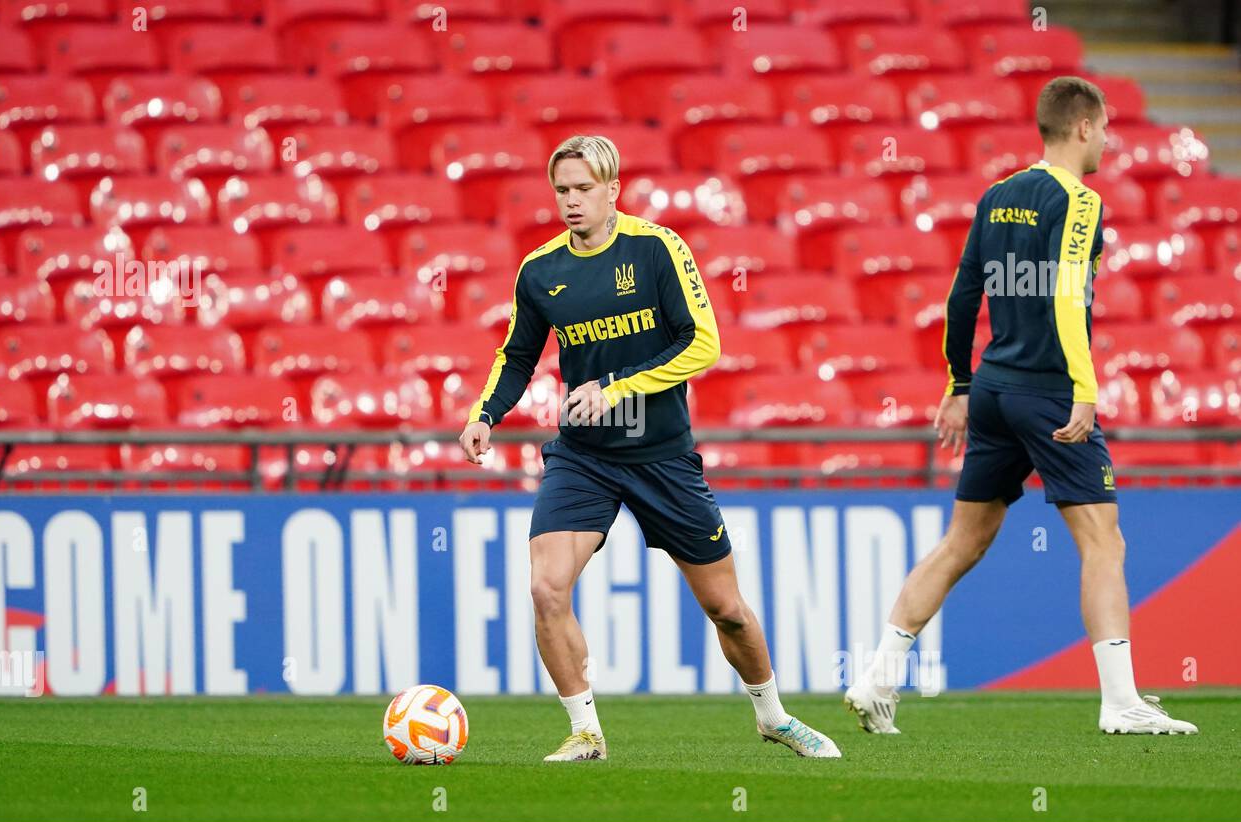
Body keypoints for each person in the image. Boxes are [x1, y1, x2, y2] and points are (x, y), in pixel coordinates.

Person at [459, 134, 841, 761]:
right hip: (582, 456)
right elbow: (518, 355)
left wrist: (616, 388)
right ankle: (586, 733)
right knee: (546, 588)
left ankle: (772, 716)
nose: (572, 201)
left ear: (613, 189)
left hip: (661, 454)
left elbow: (703, 344)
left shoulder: (658, 249)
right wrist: (485, 415)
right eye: (562, 190)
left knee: (728, 610)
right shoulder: (540, 271)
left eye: (585, 189)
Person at [843, 76, 1197, 737]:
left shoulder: (996, 195)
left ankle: (878, 677)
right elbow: (1069, 299)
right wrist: (1084, 391)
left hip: (995, 389)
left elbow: (959, 297)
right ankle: (1121, 702)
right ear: (1084, 128)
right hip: (1048, 390)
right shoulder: (1080, 201)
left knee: (962, 541)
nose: (1109, 141)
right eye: (1106, 128)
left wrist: (958, 385)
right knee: (1104, 542)